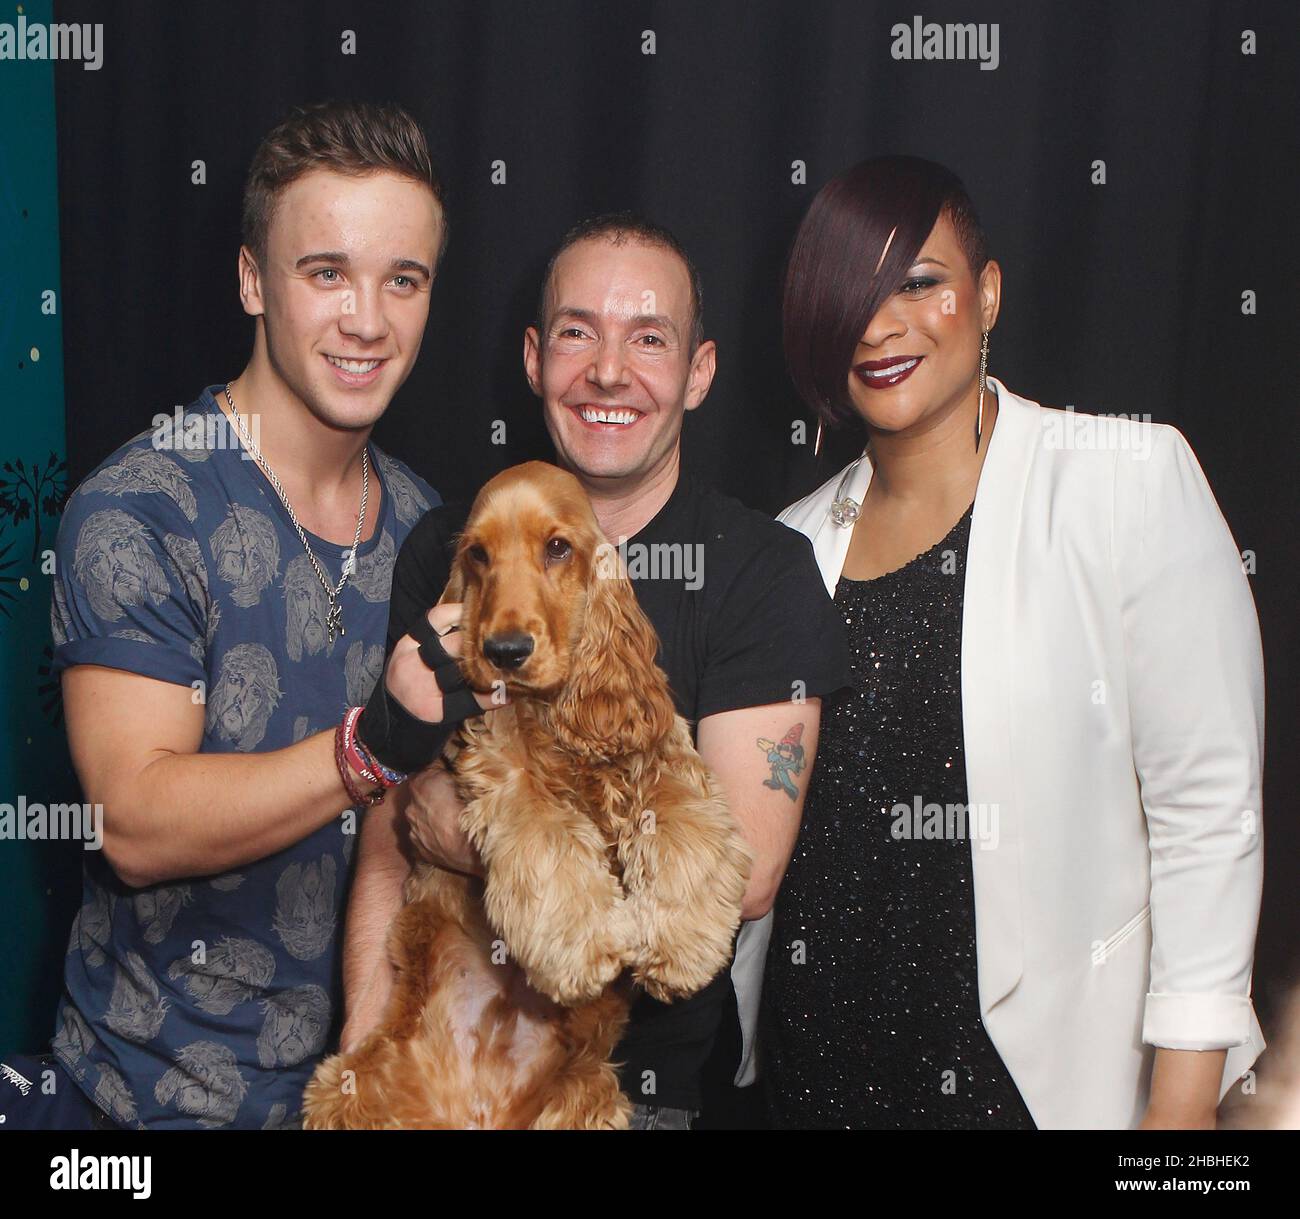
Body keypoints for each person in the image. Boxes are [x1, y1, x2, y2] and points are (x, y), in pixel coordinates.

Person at [752, 155, 1266, 1130]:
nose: (881, 323)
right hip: (813, 1072)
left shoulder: (1122, 480)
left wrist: (1181, 1114)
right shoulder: (787, 545)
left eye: (920, 282)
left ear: (986, 293)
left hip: (1037, 1085)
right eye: (853, 292)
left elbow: (1210, 810)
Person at [0, 100, 458, 1130]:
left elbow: (416, 833)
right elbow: (133, 821)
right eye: (326, 271)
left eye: (403, 279)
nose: (368, 320)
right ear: (254, 279)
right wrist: (368, 750)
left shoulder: (430, 527)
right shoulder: (138, 508)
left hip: (362, 1096)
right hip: (142, 1109)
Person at [342, 212, 852, 1129]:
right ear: (535, 358)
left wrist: (491, 843)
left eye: (648, 338)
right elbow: (394, 817)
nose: (608, 371)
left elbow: (740, 877)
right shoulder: (448, 547)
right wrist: (358, 1055)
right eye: (579, 332)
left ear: (698, 373)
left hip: (630, 1089)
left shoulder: (762, 573)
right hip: (433, 1065)